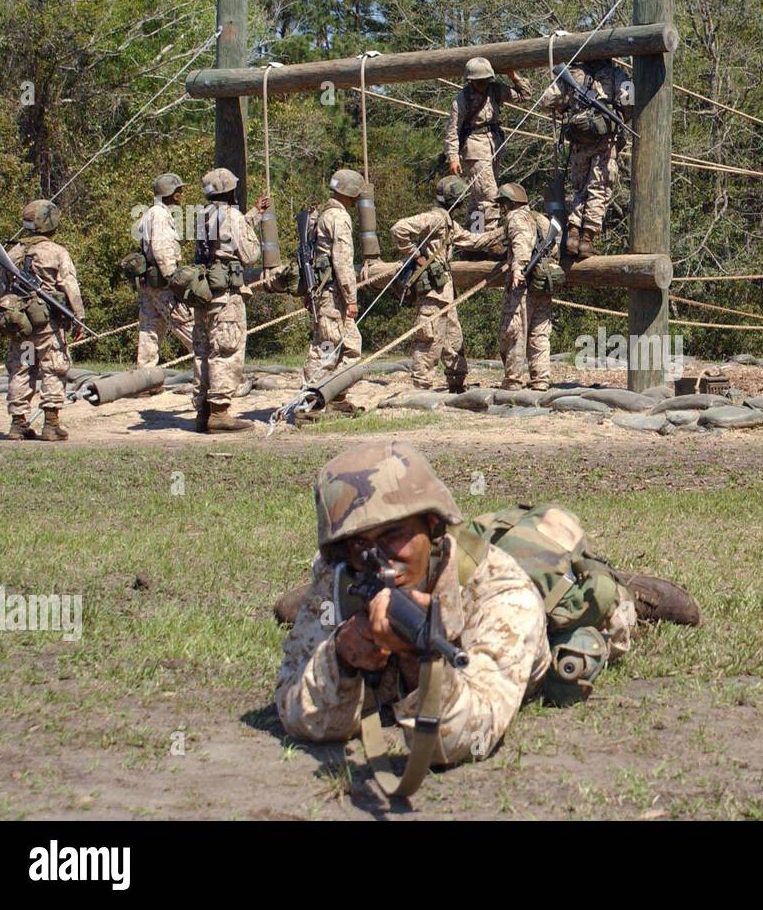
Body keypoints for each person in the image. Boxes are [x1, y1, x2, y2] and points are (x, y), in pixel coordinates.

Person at [276, 442, 650, 769]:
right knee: (296, 607)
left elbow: (468, 738)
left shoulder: (505, 596)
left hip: (536, 600)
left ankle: (634, 590)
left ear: (433, 525)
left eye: (393, 534)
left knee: (574, 581)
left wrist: (417, 659)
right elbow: (299, 714)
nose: (378, 558)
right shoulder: (341, 572)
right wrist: (341, 656)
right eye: (359, 543)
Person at [387, 176, 488, 393]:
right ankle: (421, 386)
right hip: (433, 291)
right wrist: (416, 256)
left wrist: (501, 234)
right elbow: (398, 229)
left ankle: (456, 380)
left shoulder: (449, 223)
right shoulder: (434, 218)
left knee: (452, 337)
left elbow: (473, 240)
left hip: (445, 293)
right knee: (429, 338)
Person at [0, 200, 85, 441]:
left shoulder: (12, 253)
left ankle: (18, 423)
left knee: (22, 368)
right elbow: (71, 288)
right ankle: (51, 424)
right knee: (53, 367)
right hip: (48, 326)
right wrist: (79, 318)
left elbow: (3, 290)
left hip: (22, 325)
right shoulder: (57, 252)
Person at [192, 168, 264, 433]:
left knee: (203, 351)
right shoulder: (232, 215)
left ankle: (203, 411)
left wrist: (254, 215)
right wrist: (252, 228)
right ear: (230, 190)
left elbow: (220, 241)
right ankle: (220, 413)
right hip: (226, 297)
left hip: (204, 293)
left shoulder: (202, 215)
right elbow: (249, 254)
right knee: (226, 349)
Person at [537, 59, 632, 258]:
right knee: (599, 188)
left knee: (580, 189)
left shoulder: (574, 73)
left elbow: (546, 101)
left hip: (579, 141)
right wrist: (617, 115)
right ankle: (586, 240)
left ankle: (572, 236)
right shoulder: (617, 75)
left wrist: (569, 107)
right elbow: (629, 103)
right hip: (604, 141)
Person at [443, 57, 532, 249]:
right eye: (479, 81)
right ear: (470, 81)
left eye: (485, 80)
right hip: (475, 148)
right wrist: (452, 157)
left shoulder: (496, 90)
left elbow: (525, 95)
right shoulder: (462, 100)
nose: (482, 84)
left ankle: (474, 242)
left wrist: (513, 76)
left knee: (477, 199)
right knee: (489, 196)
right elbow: (452, 130)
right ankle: (491, 242)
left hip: (494, 144)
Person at [297, 168, 364, 420]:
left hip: (324, 292)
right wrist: (351, 299)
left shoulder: (321, 214)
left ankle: (336, 396)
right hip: (333, 295)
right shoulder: (338, 218)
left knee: (340, 346)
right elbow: (343, 262)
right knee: (328, 349)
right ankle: (311, 402)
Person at [495, 182, 559, 391]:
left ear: (509, 203)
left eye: (502, 203)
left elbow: (521, 244)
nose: (501, 208)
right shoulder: (539, 218)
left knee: (514, 332)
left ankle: (513, 380)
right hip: (542, 283)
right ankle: (540, 380)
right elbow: (555, 248)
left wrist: (518, 269)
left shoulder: (516, 218)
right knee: (540, 333)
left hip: (523, 284)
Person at [135, 173, 194, 370]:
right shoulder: (159, 215)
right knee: (186, 322)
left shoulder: (150, 213)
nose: (182, 194)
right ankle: (211, 366)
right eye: (179, 190)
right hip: (163, 283)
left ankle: (145, 377)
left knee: (149, 330)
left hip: (150, 282)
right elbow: (161, 249)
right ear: (171, 194)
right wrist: (174, 280)